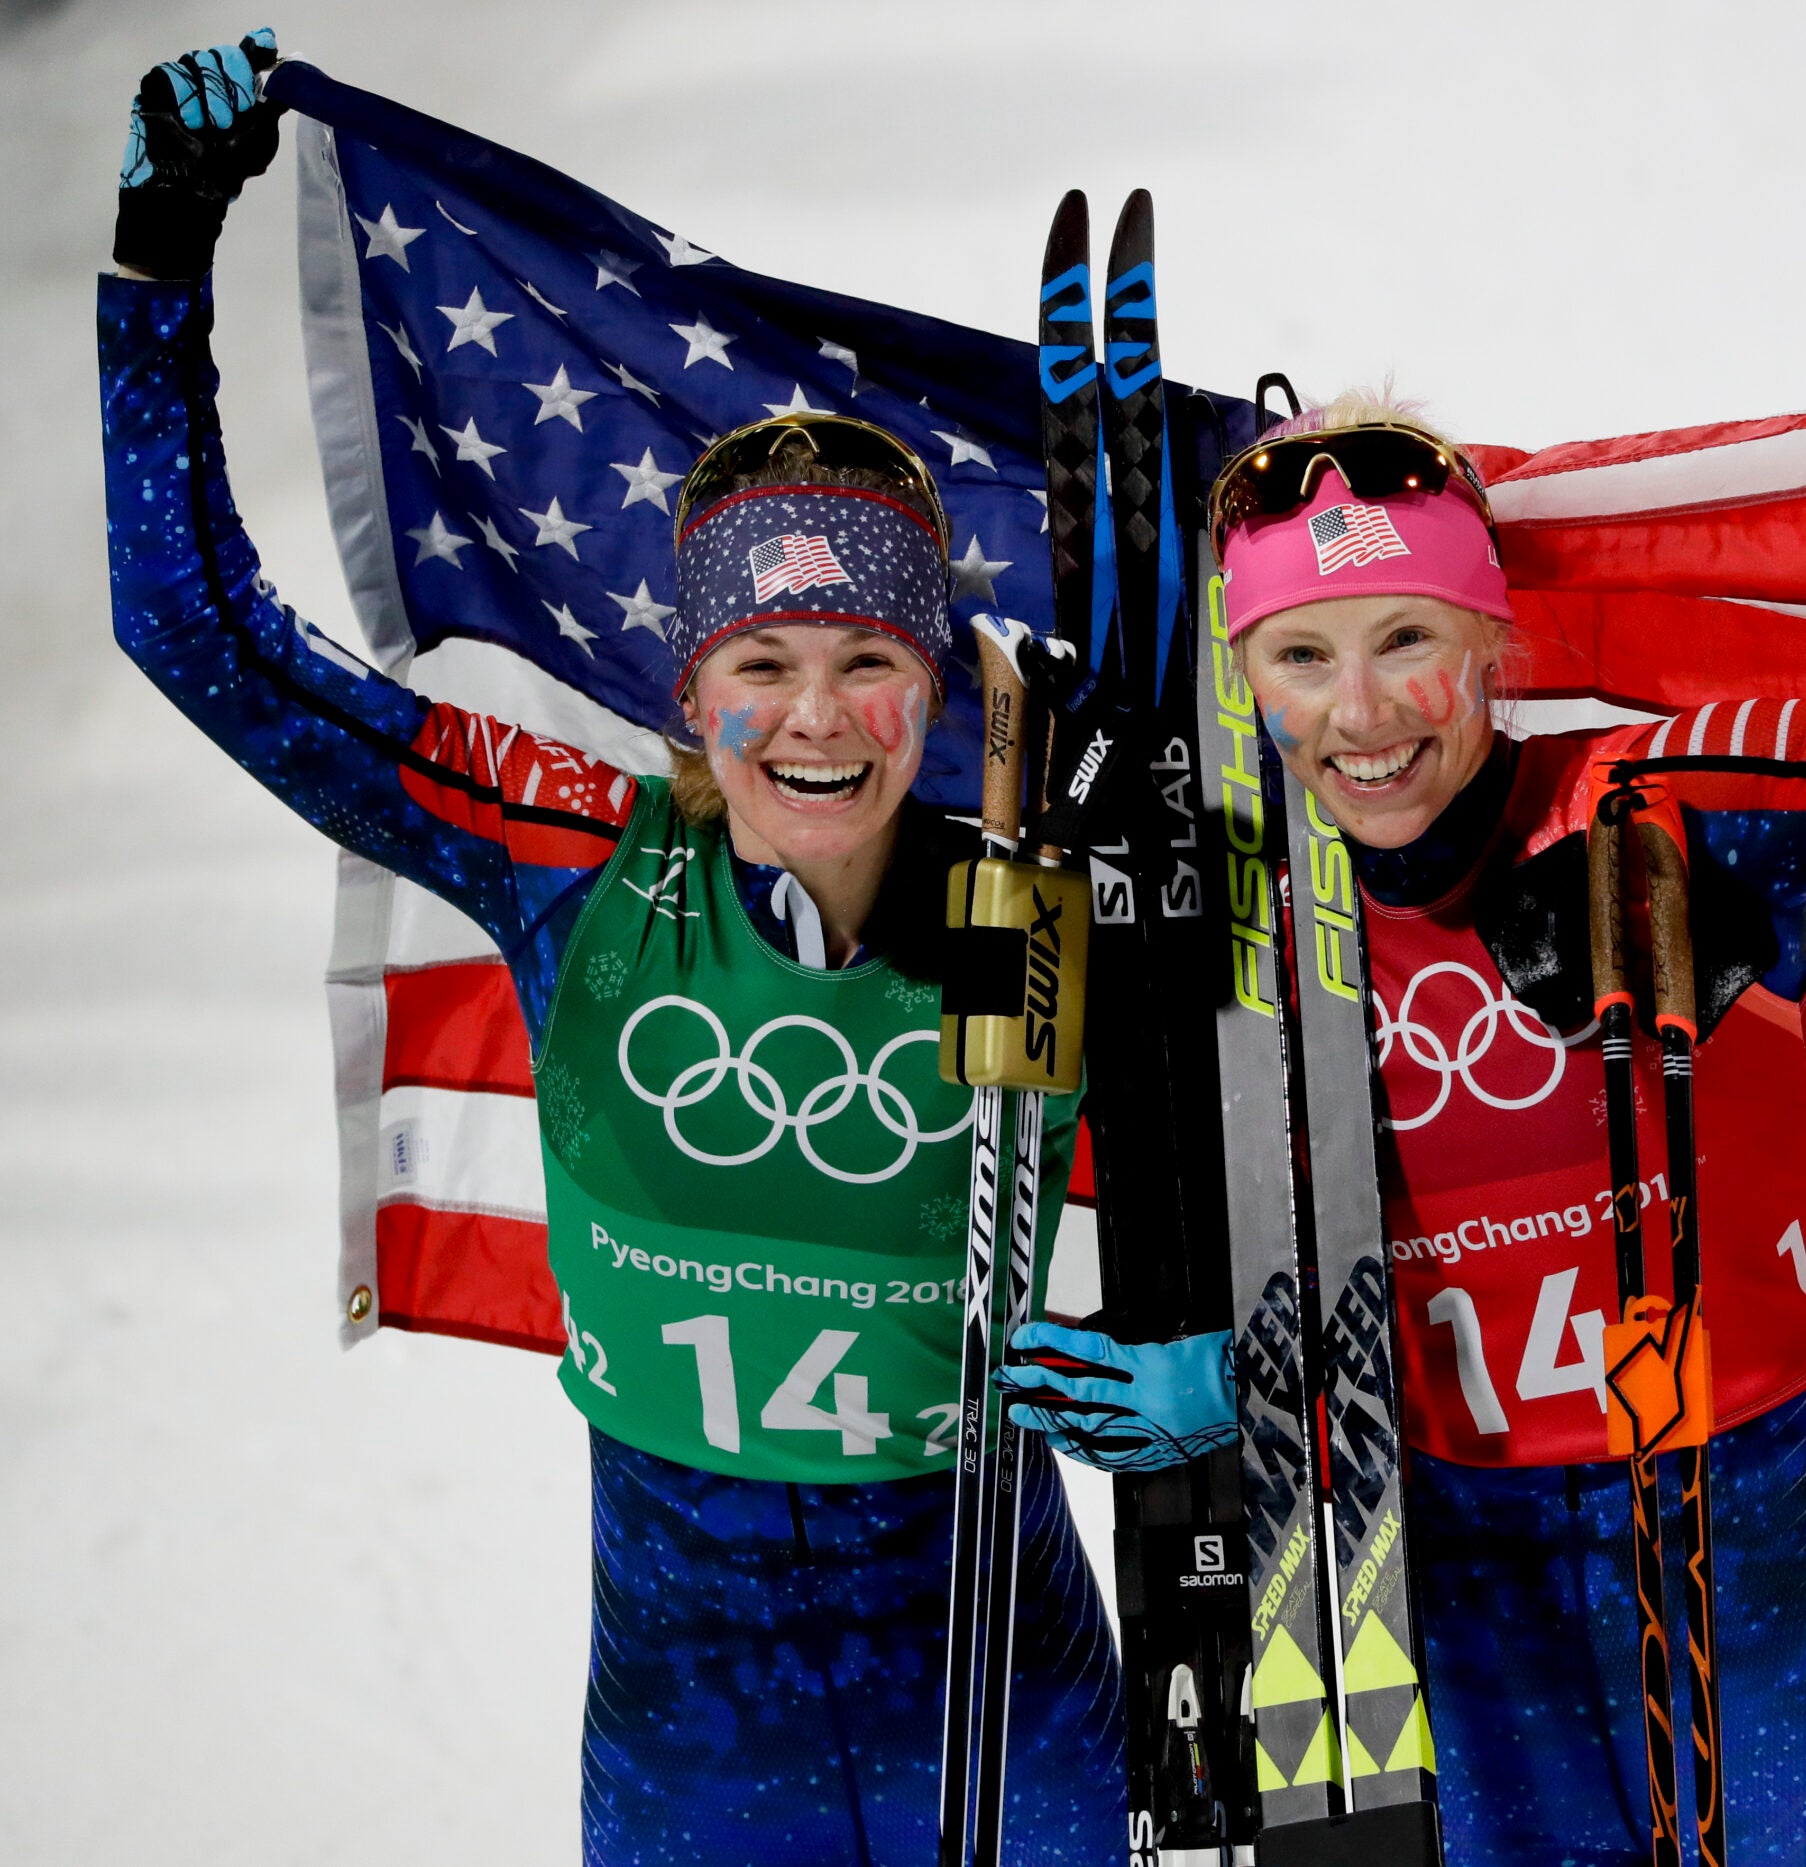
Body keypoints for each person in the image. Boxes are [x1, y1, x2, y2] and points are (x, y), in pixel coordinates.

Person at [1003, 320, 1806, 1860]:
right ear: (1246, 682)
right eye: (1304, 657)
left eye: (1408, 642)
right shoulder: (1246, 920)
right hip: (1451, 1551)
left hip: (1744, 1510)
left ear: (1491, 642)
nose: (1365, 714)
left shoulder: (1656, 809)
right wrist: (1044, 854)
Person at [100, 35, 1119, 1865]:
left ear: (934, 689)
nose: (819, 720)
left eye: (869, 663)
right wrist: (154, 280)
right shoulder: (575, 868)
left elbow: (1312, 1140)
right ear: (690, 695)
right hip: (695, 1749)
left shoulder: (1026, 897)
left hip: (1010, 1711)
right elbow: (199, 636)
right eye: (764, 670)